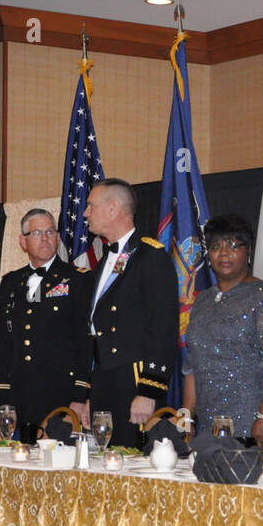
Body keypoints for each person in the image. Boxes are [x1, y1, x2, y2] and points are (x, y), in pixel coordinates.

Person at [82, 178, 179, 447]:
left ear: (113, 208)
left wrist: (149, 390)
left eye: (91, 205)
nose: (85, 213)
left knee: (133, 464)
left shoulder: (151, 256)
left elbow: (163, 327)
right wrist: (91, 391)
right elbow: (96, 332)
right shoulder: (107, 259)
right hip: (106, 379)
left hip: (134, 381)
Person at [181, 214, 263, 444]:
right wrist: (185, 419)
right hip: (206, 426)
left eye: (234, 245)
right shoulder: (202, 300)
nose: (224, 253)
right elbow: (191, 366)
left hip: (248, 426)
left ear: (249, 252)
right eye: (216, 246)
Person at [0, 209, 90, 431]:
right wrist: (3, 393)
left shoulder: (77, 279)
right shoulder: (11, 282)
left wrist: (80, 394)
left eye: (50, 232)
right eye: (37, 233)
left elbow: (85, 342)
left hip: (61, 395)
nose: (45, 238)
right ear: (23, 241)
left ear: (58, 237)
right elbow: (4, 343)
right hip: (20, 396)